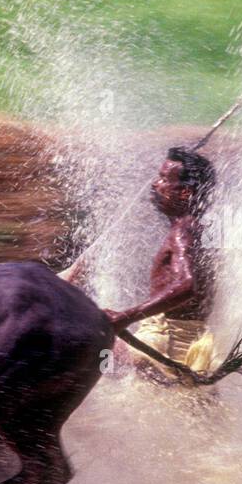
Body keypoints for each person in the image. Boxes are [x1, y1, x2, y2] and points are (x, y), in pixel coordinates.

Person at [62, 147, 218, 378]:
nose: (155, 184)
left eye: (164, 178)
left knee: (91, 353)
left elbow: (187, 286)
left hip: (164, 342)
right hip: (188, 344)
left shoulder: (184, 230)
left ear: (185, 193)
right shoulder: (195, 229)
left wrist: (125, 317)